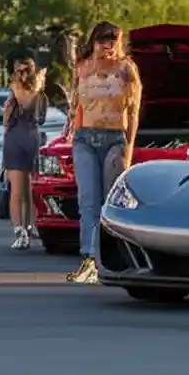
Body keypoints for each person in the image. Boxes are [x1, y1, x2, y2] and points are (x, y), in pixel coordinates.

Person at [66, 21, 141, 285]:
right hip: (85, 137)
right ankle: (89, 258)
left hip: (114, 138)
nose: (107, 46)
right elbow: (76, 103)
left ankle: (115, 257)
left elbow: (133, 112)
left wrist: (128, 148)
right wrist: (71, 130)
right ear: (93, 42)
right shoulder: (82, 67)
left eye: (113, 41)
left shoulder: (127, 70)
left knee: (111, 200)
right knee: (88, 199)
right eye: (102, 40)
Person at [2, 52, 47, 250]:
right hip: (32, 137)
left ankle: (20, 230)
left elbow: (6, 121)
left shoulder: (14, 92)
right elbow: (42, 117)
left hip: (15, 139)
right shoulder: (39, 95)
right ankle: (27, 228)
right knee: (28, 190)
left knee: (18, 191)